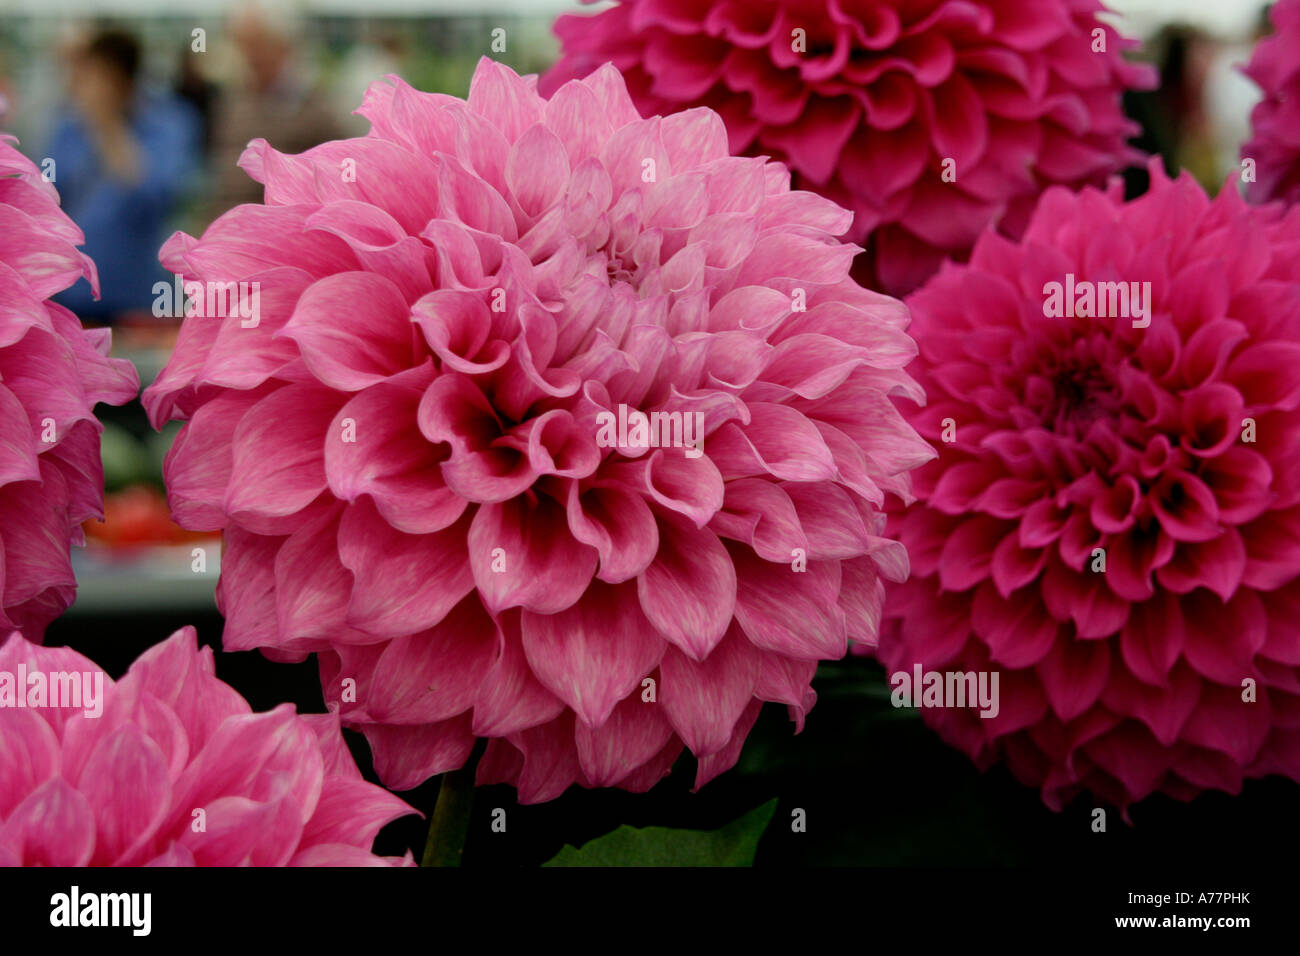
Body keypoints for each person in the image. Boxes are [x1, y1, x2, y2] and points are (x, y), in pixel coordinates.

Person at [48, 29, 200, 323]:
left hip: (138, 297)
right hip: (73, 294)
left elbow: (155, 195)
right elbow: (49, 196)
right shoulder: (68, 128)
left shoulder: (169, 124)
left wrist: (107, 125)